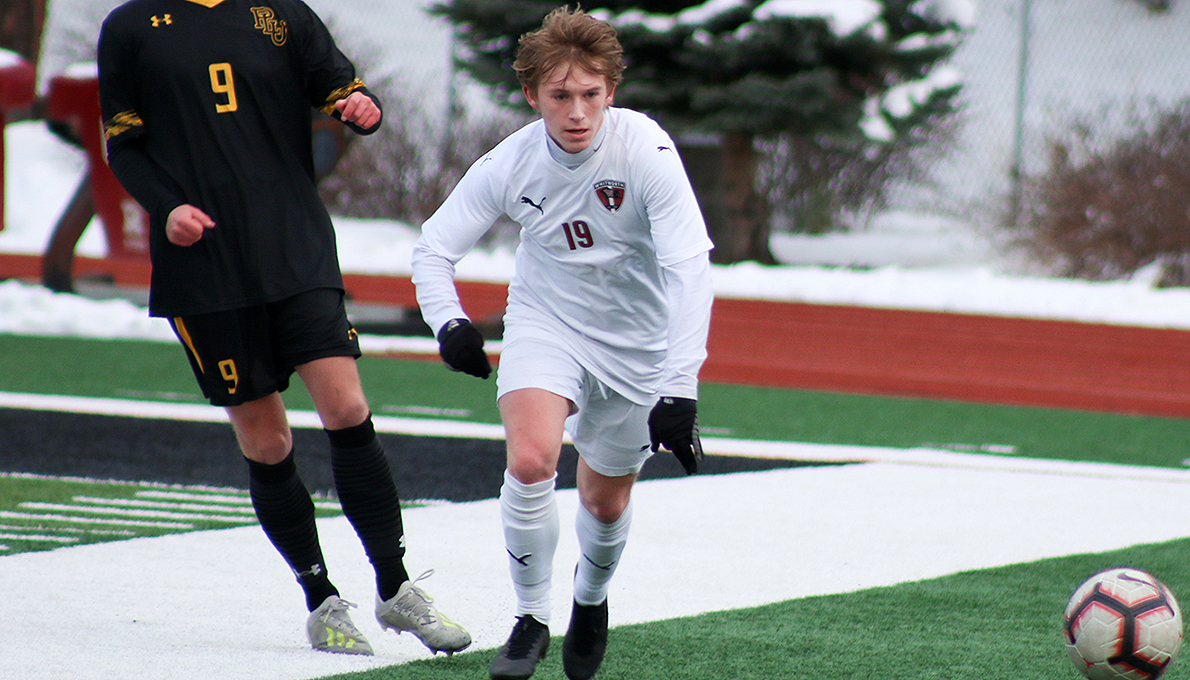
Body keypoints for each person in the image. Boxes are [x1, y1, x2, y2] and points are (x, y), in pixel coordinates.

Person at [96, 0, 470, 657]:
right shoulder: (130, 27)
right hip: (204, 268)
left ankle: (395, 587)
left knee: (347, 407)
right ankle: (321, 599)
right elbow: (123, 147)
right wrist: (168, 208)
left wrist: (362, 108)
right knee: (267, 443)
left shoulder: (283, 15)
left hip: (294, 245)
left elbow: (343, 88)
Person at [411, 7, 714, 679]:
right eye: (560, 95)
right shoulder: (512, 161)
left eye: (591, 94)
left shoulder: (646, 151)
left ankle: (591, 599)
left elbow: (690, 270)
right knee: (530, 460)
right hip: (548, 324)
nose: (577, 111)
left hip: (639, 343)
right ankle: (529, 618)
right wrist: (449, 322)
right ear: (532, 95)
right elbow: (434, 248)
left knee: (605, 504)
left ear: (611, 90)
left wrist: (679, 388)